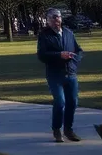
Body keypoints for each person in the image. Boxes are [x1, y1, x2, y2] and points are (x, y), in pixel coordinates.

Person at [37, 7, 84, 143]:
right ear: (48, 21)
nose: (56, 19)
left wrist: (75, 60)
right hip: (55, 75)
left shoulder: (69, 33)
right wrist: (59, 55)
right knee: (60, 102)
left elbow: (79, 50)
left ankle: (68, 130)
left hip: (71, 73)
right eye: (52, 17)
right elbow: (42, 55)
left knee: (73, 102)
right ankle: (57, 129)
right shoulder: (44, 35)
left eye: (58, 17)